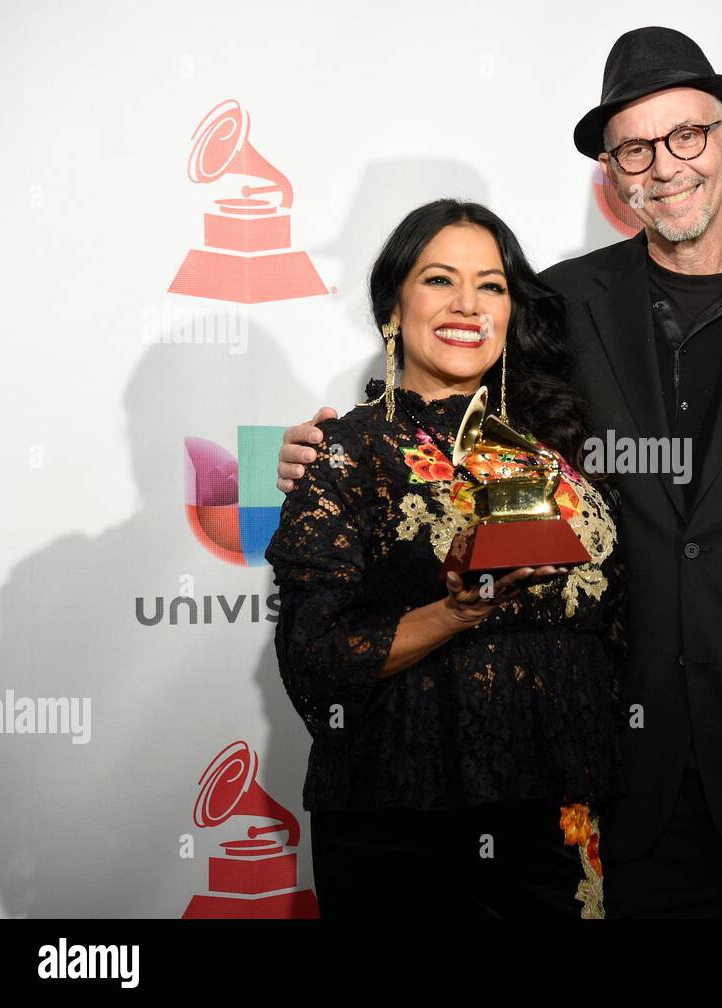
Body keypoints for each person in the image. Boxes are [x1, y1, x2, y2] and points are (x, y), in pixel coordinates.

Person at [278, 26, 722, 917]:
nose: (666, 167)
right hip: (625, 774)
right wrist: (328, 451)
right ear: (613, 176)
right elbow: (451, 409)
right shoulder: (558, 306)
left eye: (687, 136)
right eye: (635, 148)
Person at [265, 199, 624, 919]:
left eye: (491, 284)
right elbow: (317, 655)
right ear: (392, 307)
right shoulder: (346, 454)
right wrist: (453, 612)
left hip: (561, 822)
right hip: (403, 833)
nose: (468, 304)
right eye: (439, 280)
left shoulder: (565, 447)